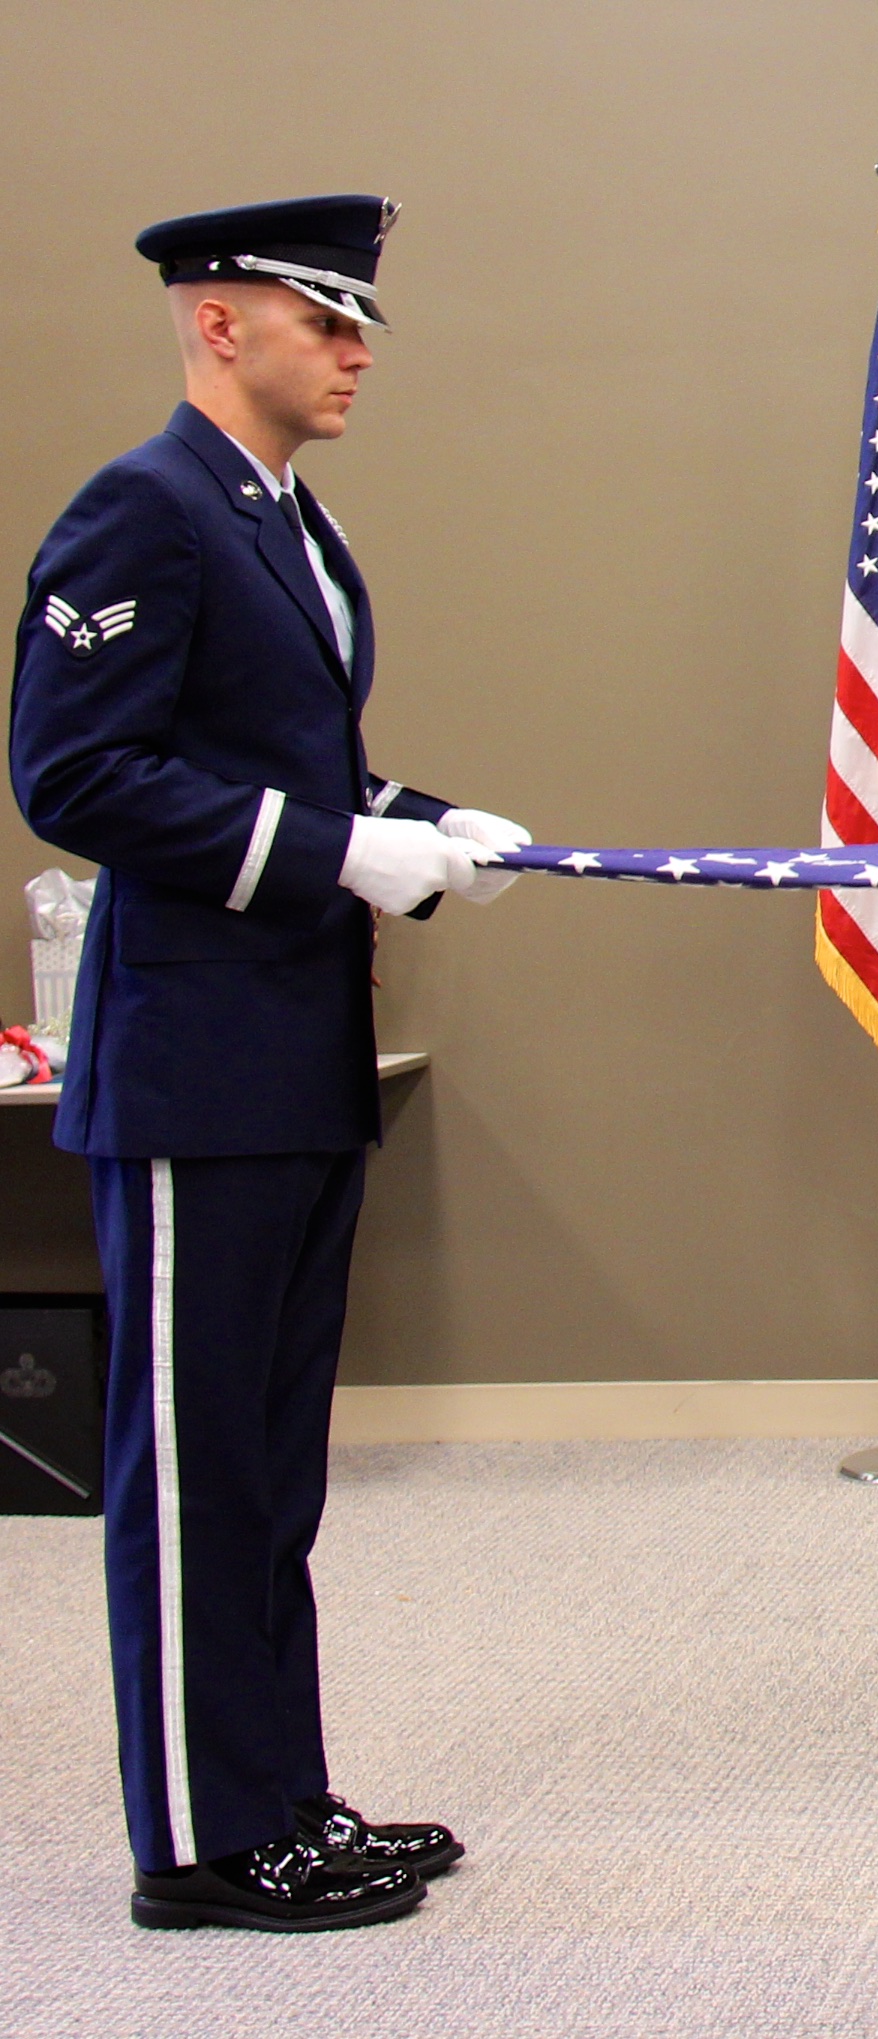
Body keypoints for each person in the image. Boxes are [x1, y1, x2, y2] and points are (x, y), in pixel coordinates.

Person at [10, 196, 528, 1932]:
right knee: (191, 1470)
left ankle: (278, 1794)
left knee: (266, 1464)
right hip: (190, 1070)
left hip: (292, 1058)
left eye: (361, 319)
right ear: (219, 323)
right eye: (325, 317)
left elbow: (277, 763)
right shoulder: (142, 510)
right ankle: (201, 1845)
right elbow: (77, 776)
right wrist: (329, 856)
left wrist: (415, 820)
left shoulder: (288, 528)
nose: (356, 347)